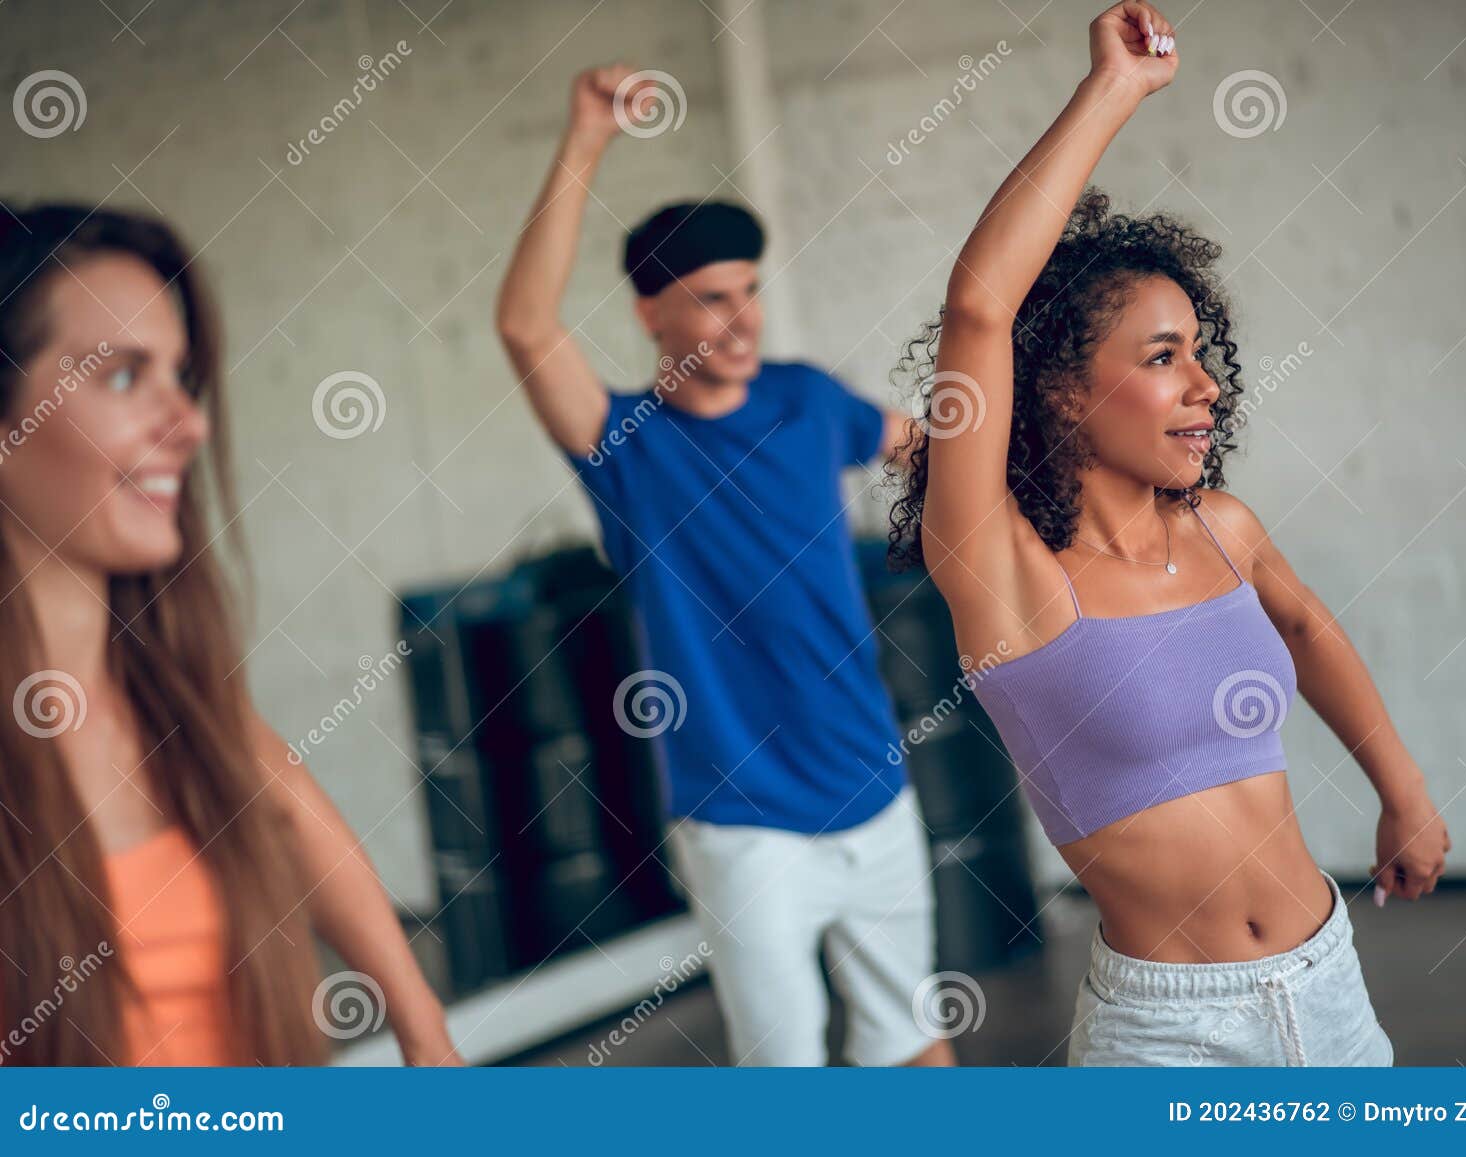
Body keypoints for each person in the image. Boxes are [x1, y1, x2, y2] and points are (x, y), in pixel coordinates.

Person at [887, 2, 1451, 1066]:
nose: (1207, 384)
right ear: (1056, 390)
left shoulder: (1222, 529)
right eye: (1162, 357)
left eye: (1201, 352)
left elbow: (1303, 623)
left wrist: (1404, 791)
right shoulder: (1001, 573)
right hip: (1169, 1032)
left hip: (1329, 983)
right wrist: (1115, 88)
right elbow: (978, 310)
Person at [495, 64, 951, 1067]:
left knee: (914, 1047)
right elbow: (526, 324)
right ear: (650, 313)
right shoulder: (628, 444)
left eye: (749, 293)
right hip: (743, 824)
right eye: (710, 300)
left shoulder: (807, 400)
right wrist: (585, 135)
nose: (743, 319)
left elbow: (939, 446)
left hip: (873, 787)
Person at [0, 203, 459, 1067]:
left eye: (182, 375)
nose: (191, 423)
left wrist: (424, 1026)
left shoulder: (176, 703)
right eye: (124, 377)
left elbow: (286, 804)